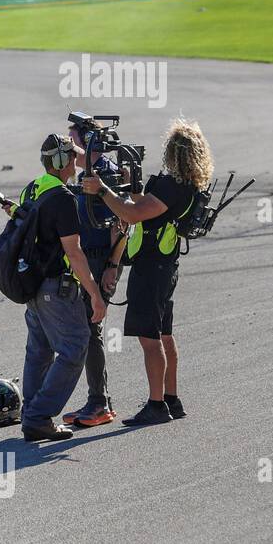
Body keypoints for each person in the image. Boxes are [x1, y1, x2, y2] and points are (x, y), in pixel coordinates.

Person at [82, 119, 213, 426]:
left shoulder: (171, 186)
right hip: (165, 267)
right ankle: (171, 398)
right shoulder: (187, 186)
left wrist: (102, 190)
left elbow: (131, 214)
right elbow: (143, 205)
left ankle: (156, 405)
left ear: (173, 152)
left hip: (151, 270)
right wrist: (132, 184)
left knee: (149, 337)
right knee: (164, 332)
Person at [17, 134, 106, 442]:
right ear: (63, 162)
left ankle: (32, 411)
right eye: (71, 157)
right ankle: (39, 416)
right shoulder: (63, 198)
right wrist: (94, 293)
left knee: (39, 349)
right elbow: (74, 252)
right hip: (56, 287)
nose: (74, 161)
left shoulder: (33, 188)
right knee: (75, 344)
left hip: (32, 283)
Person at [61, 121, 128, 428]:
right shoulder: (88, 173)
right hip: (90, 256)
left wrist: (113, 266)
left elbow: (122, 224)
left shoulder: (107, 175)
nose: (68, 148)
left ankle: (99, 403)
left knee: (91, 329)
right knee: (89, 330)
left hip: (102, 259)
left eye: (72, 142)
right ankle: (97, 399)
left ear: (89, 143)